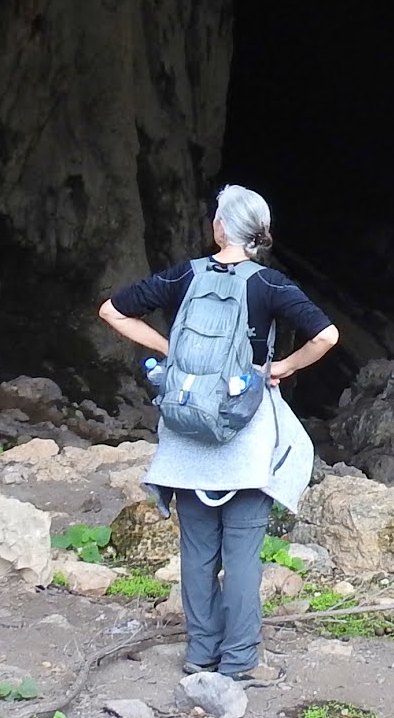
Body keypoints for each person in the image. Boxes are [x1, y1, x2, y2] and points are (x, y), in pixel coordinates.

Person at [97, 184, 340, 681]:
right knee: (242, 553)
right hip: (245, 434)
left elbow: (112, 310)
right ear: (257, 233)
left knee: (197, 550)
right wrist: (282, 367)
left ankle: (200, 653)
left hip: (186, 431)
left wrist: (172, 352)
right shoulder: (269, 284)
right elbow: (326, 335)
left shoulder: (185, 274)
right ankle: (240, 660)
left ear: (220, 227)